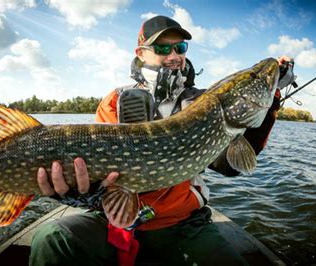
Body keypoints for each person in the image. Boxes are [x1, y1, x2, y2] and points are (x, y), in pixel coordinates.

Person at [30, 15, 293, 266]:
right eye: (162, 48)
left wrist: (272, 100)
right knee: (52, 240)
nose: (174, 56)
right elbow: (102, 172)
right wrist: (78, 195)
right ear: (141, 53)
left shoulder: (200, 102)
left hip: (181, 226)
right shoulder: (115, 100)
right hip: (112, 221)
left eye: (180, 47)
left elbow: (231, 166)